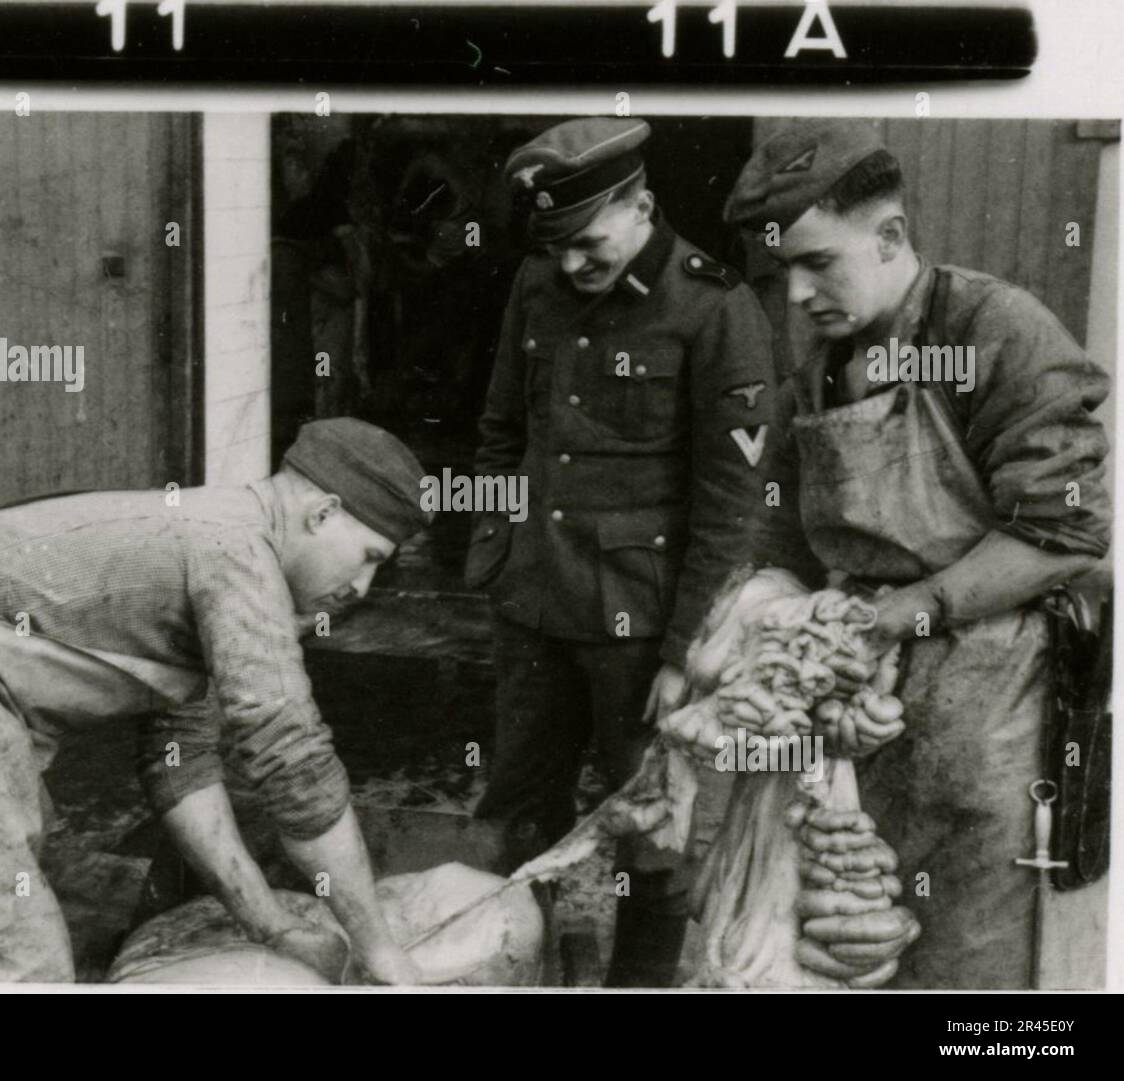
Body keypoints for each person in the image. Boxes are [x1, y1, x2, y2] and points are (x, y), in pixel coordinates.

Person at [0, 418, 434, 984]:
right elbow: (291, 757)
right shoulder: (237, 551)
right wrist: (378, 945)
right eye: (369, 558)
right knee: (0, 966)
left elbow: (181, 761)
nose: (361, 587)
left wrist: (270, 925)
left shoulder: (220, 534)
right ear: (323, 512)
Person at [723, 119, 1112, 988]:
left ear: (890, 236)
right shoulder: (821, 357)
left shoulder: (997, 328)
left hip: (988, 708)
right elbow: (778, 526)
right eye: (781, 269)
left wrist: (905, 611)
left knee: (967, 958)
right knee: (848, 940)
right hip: (856, 704)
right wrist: (772, 621)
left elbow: (1066, 529)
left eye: (817, 262)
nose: (796, 294)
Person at [467, 117, 794, 986]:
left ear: (642, 204)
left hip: (640, 627)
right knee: (514, 812)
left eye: (588, 242)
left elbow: (733, 503)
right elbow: (501, 430)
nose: (573, 264)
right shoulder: (536, 286)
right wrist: (496, 557)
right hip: (533, 603)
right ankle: (514, 962)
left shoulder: (716, 307)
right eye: (556, 246)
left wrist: (686, 650)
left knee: (652, 826)